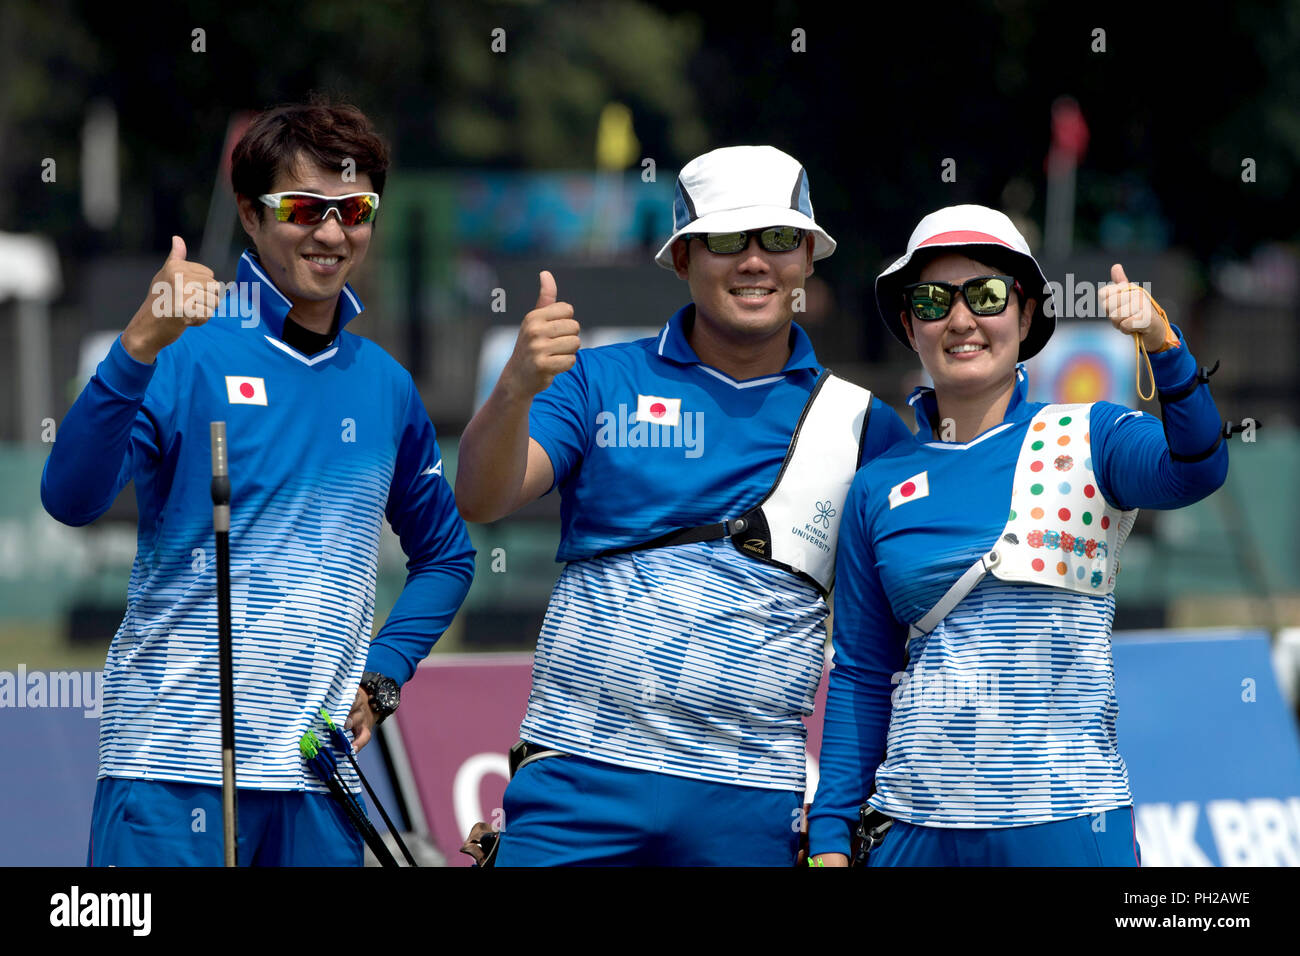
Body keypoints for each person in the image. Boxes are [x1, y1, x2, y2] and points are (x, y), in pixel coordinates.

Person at [40, 100, 475, 866]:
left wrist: (382, 680)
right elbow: (69, 498)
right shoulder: (181, 351)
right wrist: (139, 341)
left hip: (318, 782)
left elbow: (447, 557)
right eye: (305, 209)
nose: (333, 234)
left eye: (355, 210)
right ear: (249, 212)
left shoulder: (386, 385)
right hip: (169, 774)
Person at [455, 145, 913, 866]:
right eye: (728, 240)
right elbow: (482, 498)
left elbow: (898, 632)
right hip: (577, 775)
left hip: (750, 800)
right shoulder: (599, 377)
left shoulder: (866, 427)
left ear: (808, 260)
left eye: (779, 239)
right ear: (682, 259)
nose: (755, 261)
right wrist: (514, 389)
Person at [807, 204, 1229, 866]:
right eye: (933, 300)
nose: (961, 318)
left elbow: (1199, 467)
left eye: (987, 294)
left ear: (1026, 314)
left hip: (1065, 823)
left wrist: (1162, 344)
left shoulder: (1092, 435)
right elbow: (862, 673)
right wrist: (831, 835)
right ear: (909, 324)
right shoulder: (878, 484)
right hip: (914, 832)